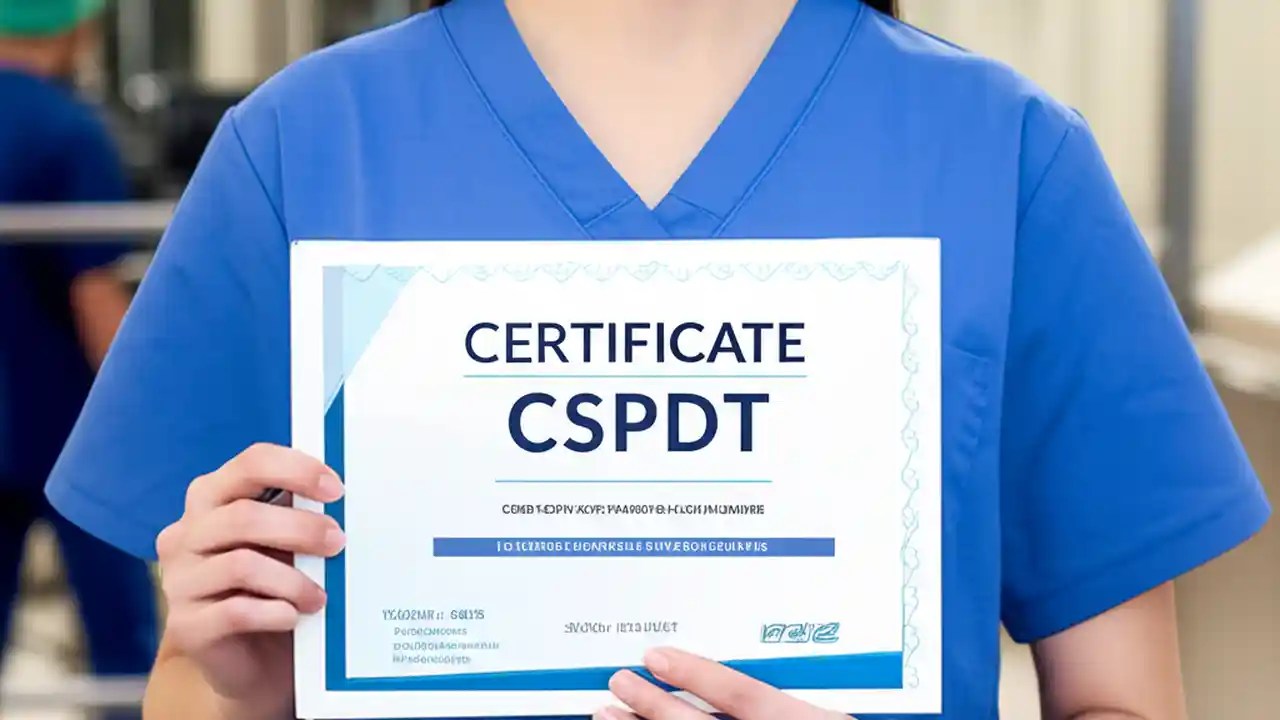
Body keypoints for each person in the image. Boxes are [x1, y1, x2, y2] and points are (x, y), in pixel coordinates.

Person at [44, 0, 1271, 718]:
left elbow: (1121, 702)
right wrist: (251, 692)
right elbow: (200, 676)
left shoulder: (1002, 155)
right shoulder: (304, 148)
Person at [0, 0, 158, 714]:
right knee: (121, 646)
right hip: (73, 432)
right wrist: (154, 416)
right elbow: (95, 298)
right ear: (72, 31)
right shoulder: (70, 130)